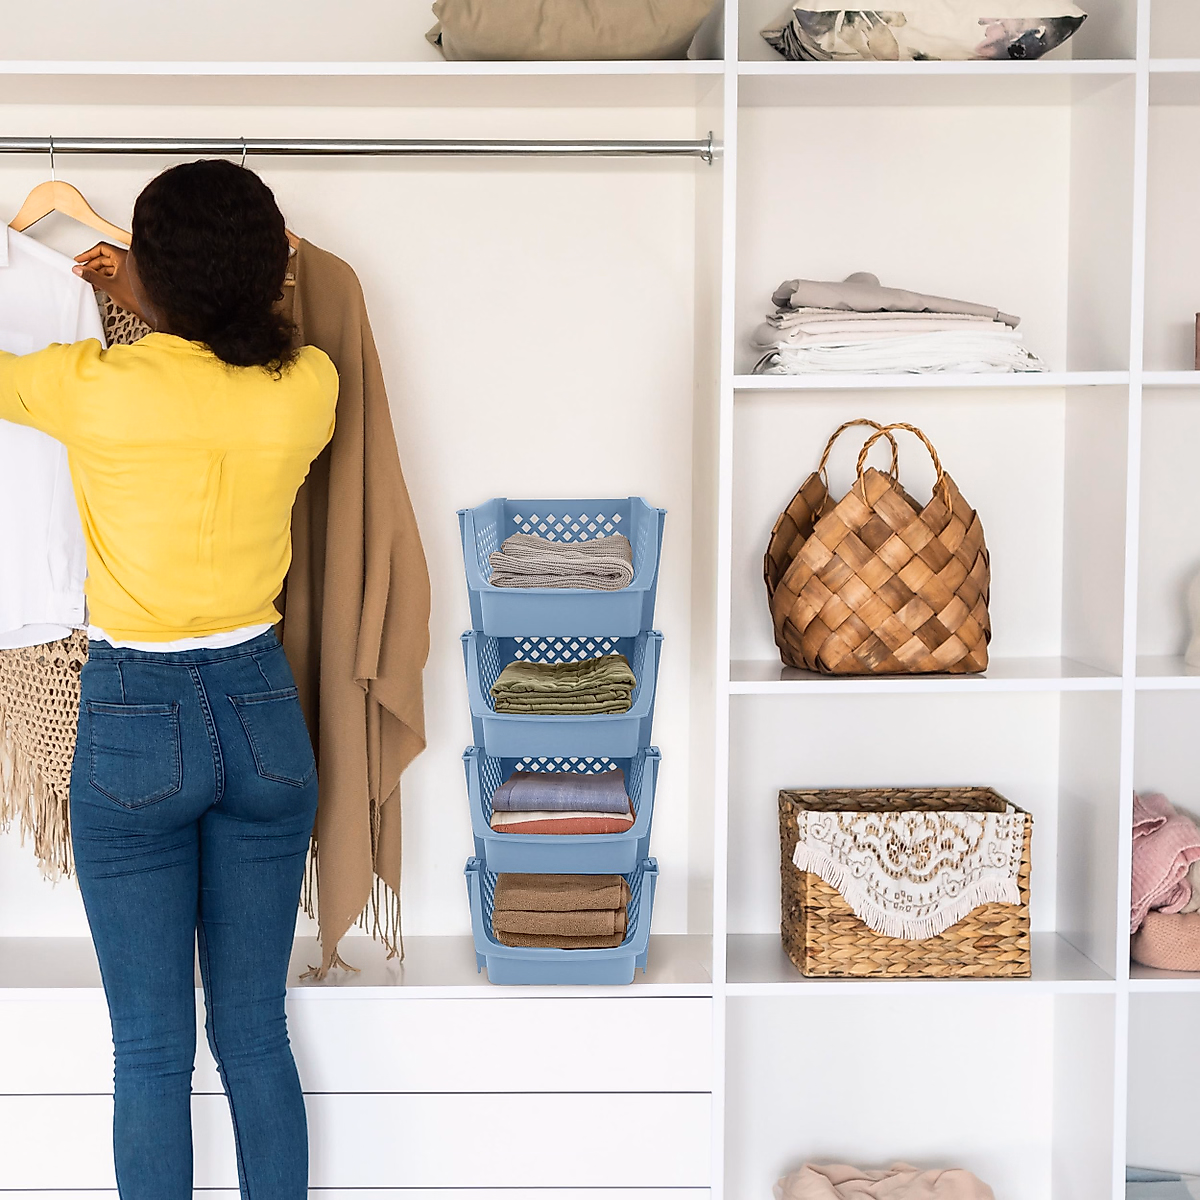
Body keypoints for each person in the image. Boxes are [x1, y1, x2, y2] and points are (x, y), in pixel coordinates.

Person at [0, 159, 339, 1200]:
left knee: (151, 1050)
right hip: (262, 715)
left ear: (156, 273)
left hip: (136, 716)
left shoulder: (91, 386)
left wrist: (120, 288)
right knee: (254, 1034)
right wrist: (147, 281)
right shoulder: (309, 386)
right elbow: (232, 338)